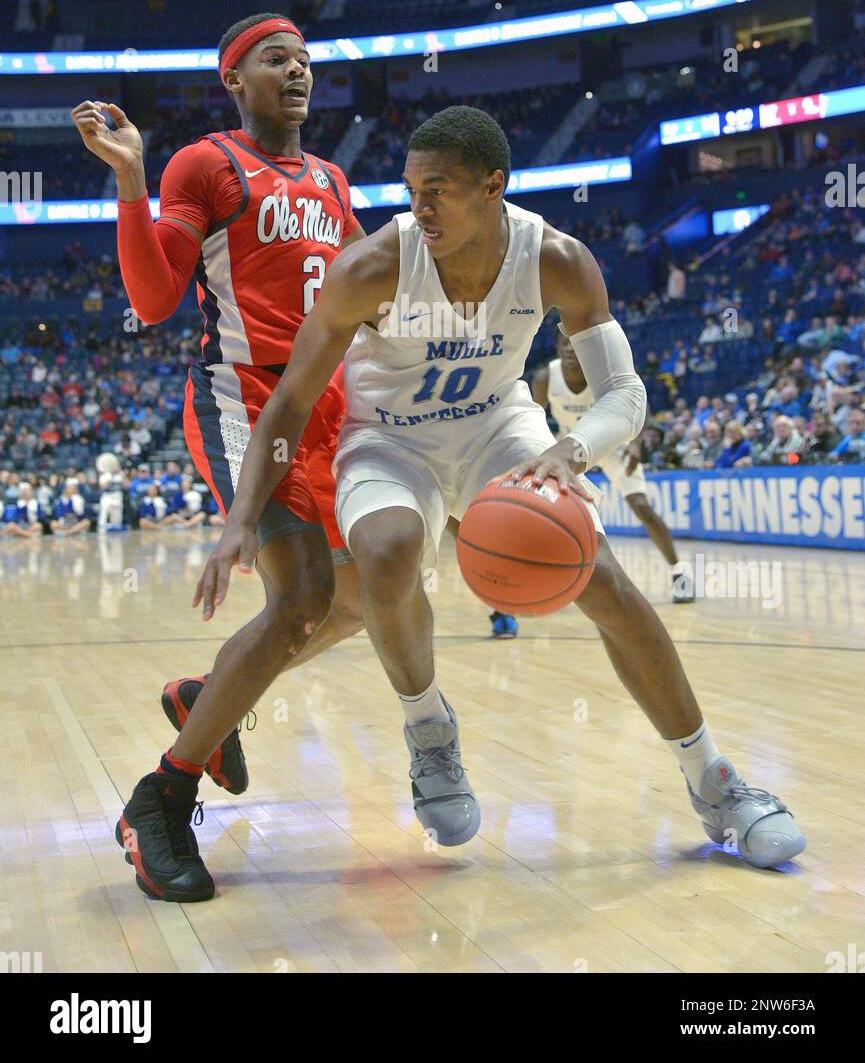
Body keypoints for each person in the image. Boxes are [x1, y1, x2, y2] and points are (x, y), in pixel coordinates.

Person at [196, 105, 805, 892]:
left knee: (603, 579)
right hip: (389, 438)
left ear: (493, 187)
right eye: (411, 189)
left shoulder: (557, 258)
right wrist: (242, 515)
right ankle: (429, 731)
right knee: (383, 553)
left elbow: (623, 389)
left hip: (497, 428)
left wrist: (571, 447)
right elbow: (288, 401)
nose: (418, 207)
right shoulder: (374, 265)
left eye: (438, 190)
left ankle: (714, 780)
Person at [72, 12, 369, 904]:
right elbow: (157, 297)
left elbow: (368, 293)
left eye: (306, 60)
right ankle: (161, 798)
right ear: (234, 81)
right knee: (306, 597)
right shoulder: (203, 163)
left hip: (336, 403)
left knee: (367, 599)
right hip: (245, 397)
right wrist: (131, 180)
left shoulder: (331, 178)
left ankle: (212, 695)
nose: (297, 71)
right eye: (275, 59)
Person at [533, 327, 693, 603]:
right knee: (542, 505)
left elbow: (636, 400)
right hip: (572, 447)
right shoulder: (545, 378)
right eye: (564, 344)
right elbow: (533, 420)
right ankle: (544, 575)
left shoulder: (602, 372)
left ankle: (680, 571)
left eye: (574, 344)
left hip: (612, 444)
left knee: (641, 507)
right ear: (558, 348)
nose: (570, 348)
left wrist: (635, 443)